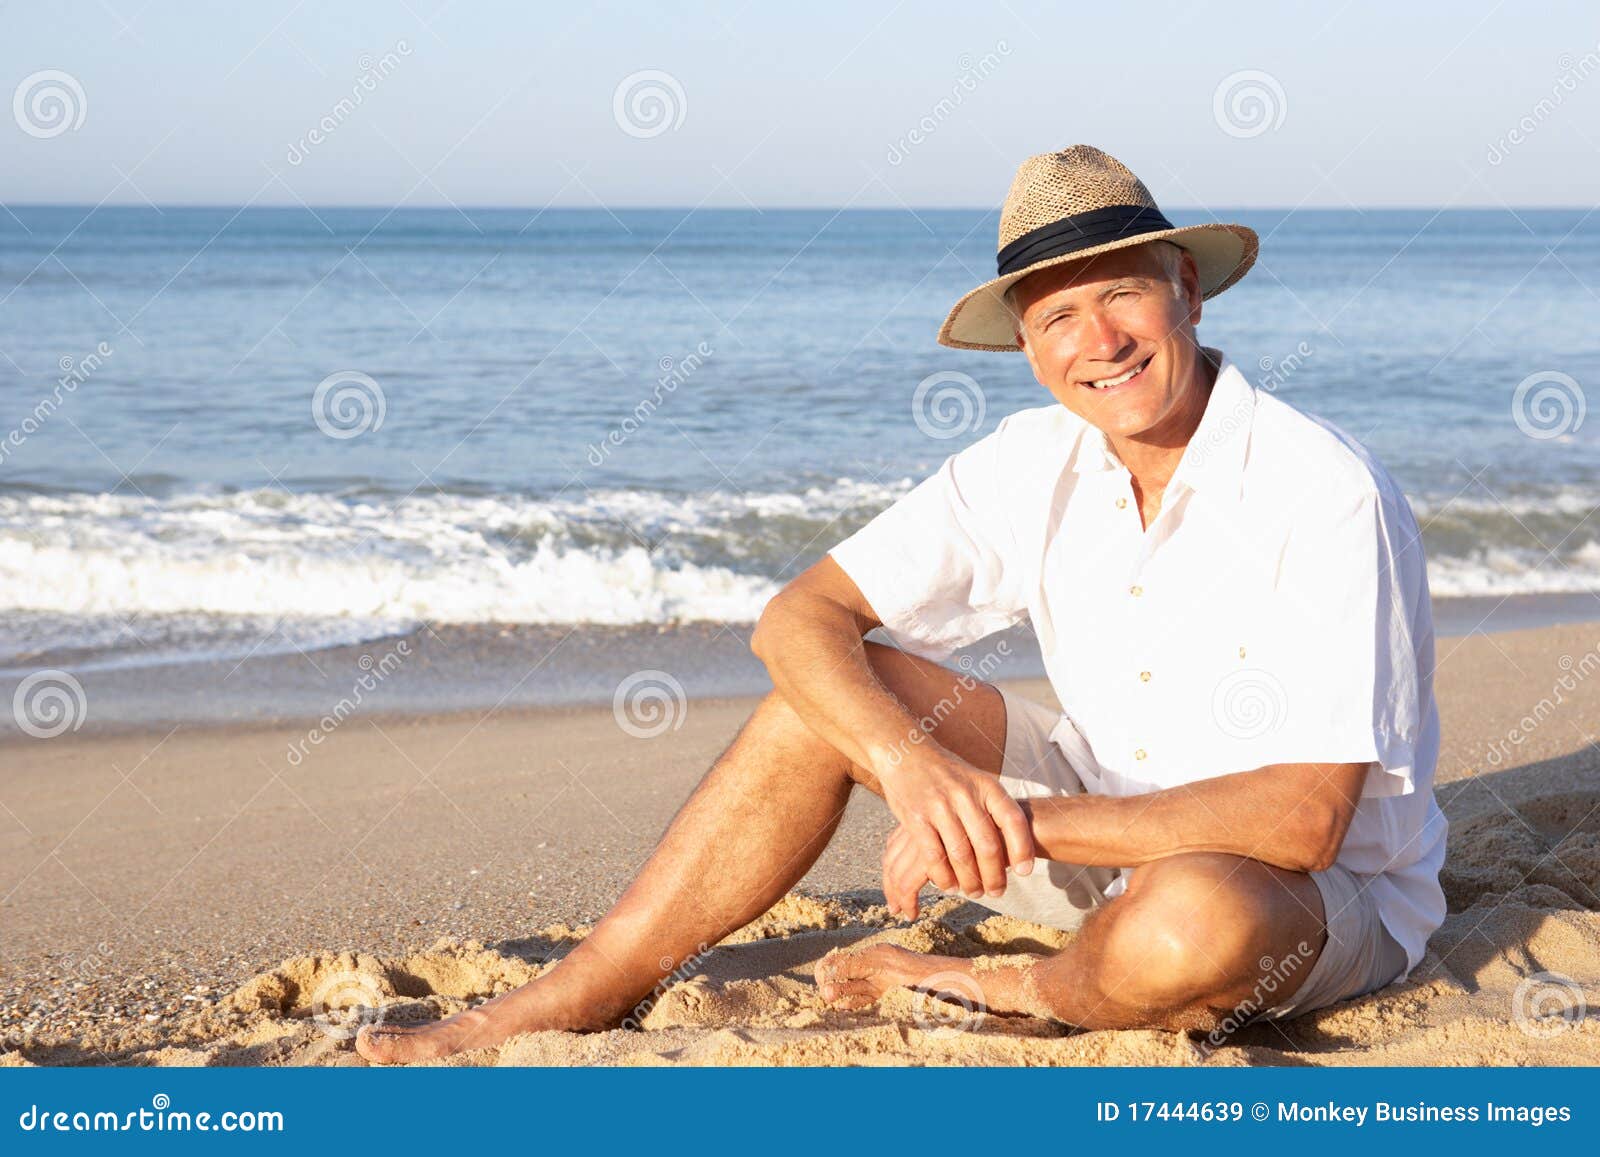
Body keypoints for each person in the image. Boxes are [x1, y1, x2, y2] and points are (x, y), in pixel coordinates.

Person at [356, 145, 1446, 1064]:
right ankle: (580, 989)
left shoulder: (1319, 488)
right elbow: (798, 615)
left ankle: (1003, 990)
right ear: (1026, 346)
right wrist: (918, 768)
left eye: (1122, 291)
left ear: (1187, 294)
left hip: (1301, 890)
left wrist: (1007, 820)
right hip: (1097, 808)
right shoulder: (1035, 460)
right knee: (818, 700)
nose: (1098, 340)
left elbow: (1301, 815)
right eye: (1058, 313)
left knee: (1188, 917)